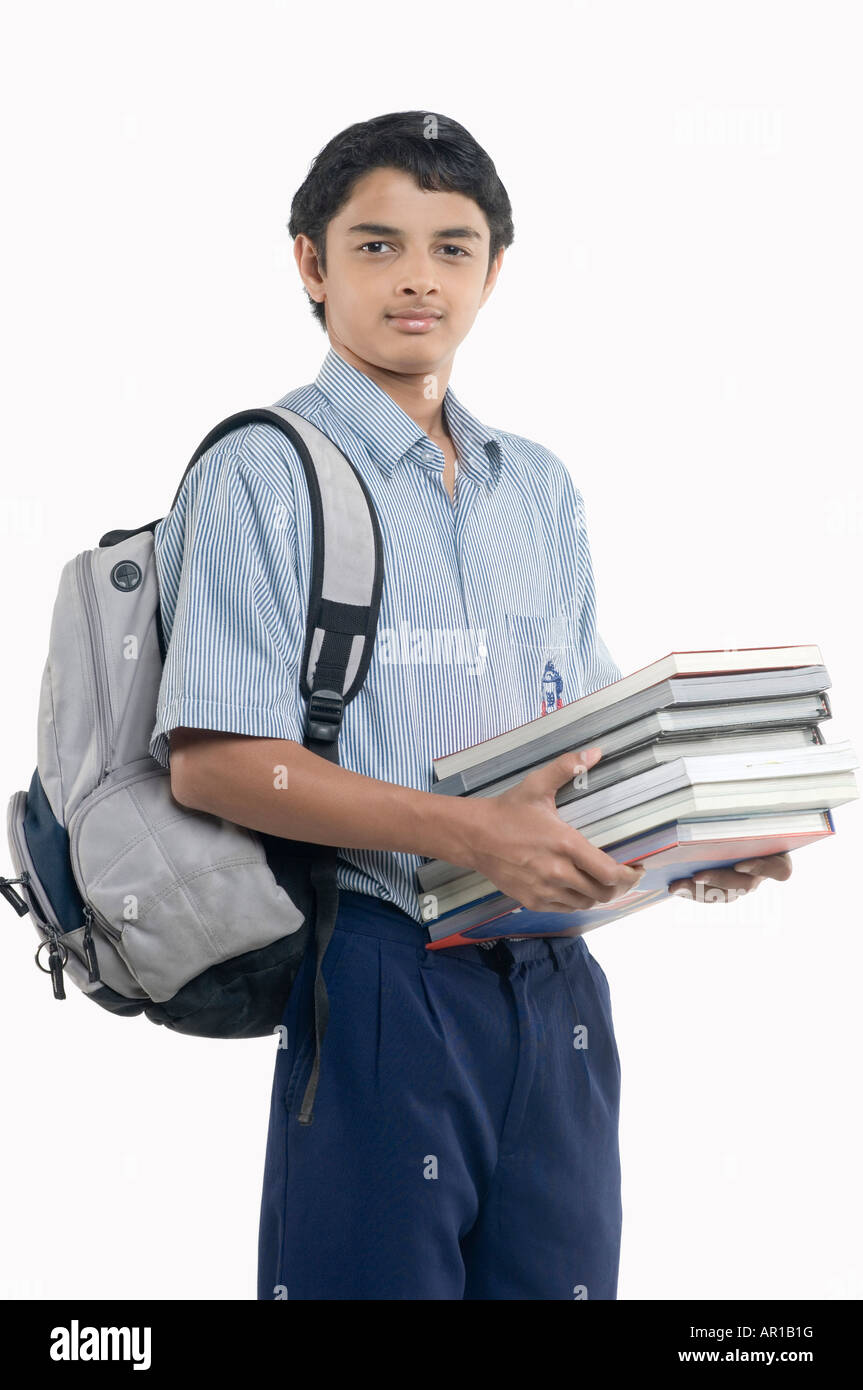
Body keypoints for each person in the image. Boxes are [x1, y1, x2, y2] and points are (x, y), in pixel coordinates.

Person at [149, 111, 792, 1300]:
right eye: (378, 244)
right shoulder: (262, 471)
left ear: (493, 269)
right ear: (310, 262)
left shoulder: (534, 486)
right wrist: (468, 830)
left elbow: (583, 729)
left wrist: (690, 844)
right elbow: (217, 762)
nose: (417, 280)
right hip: (383, 971)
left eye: (453, 247)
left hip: (555, 992)